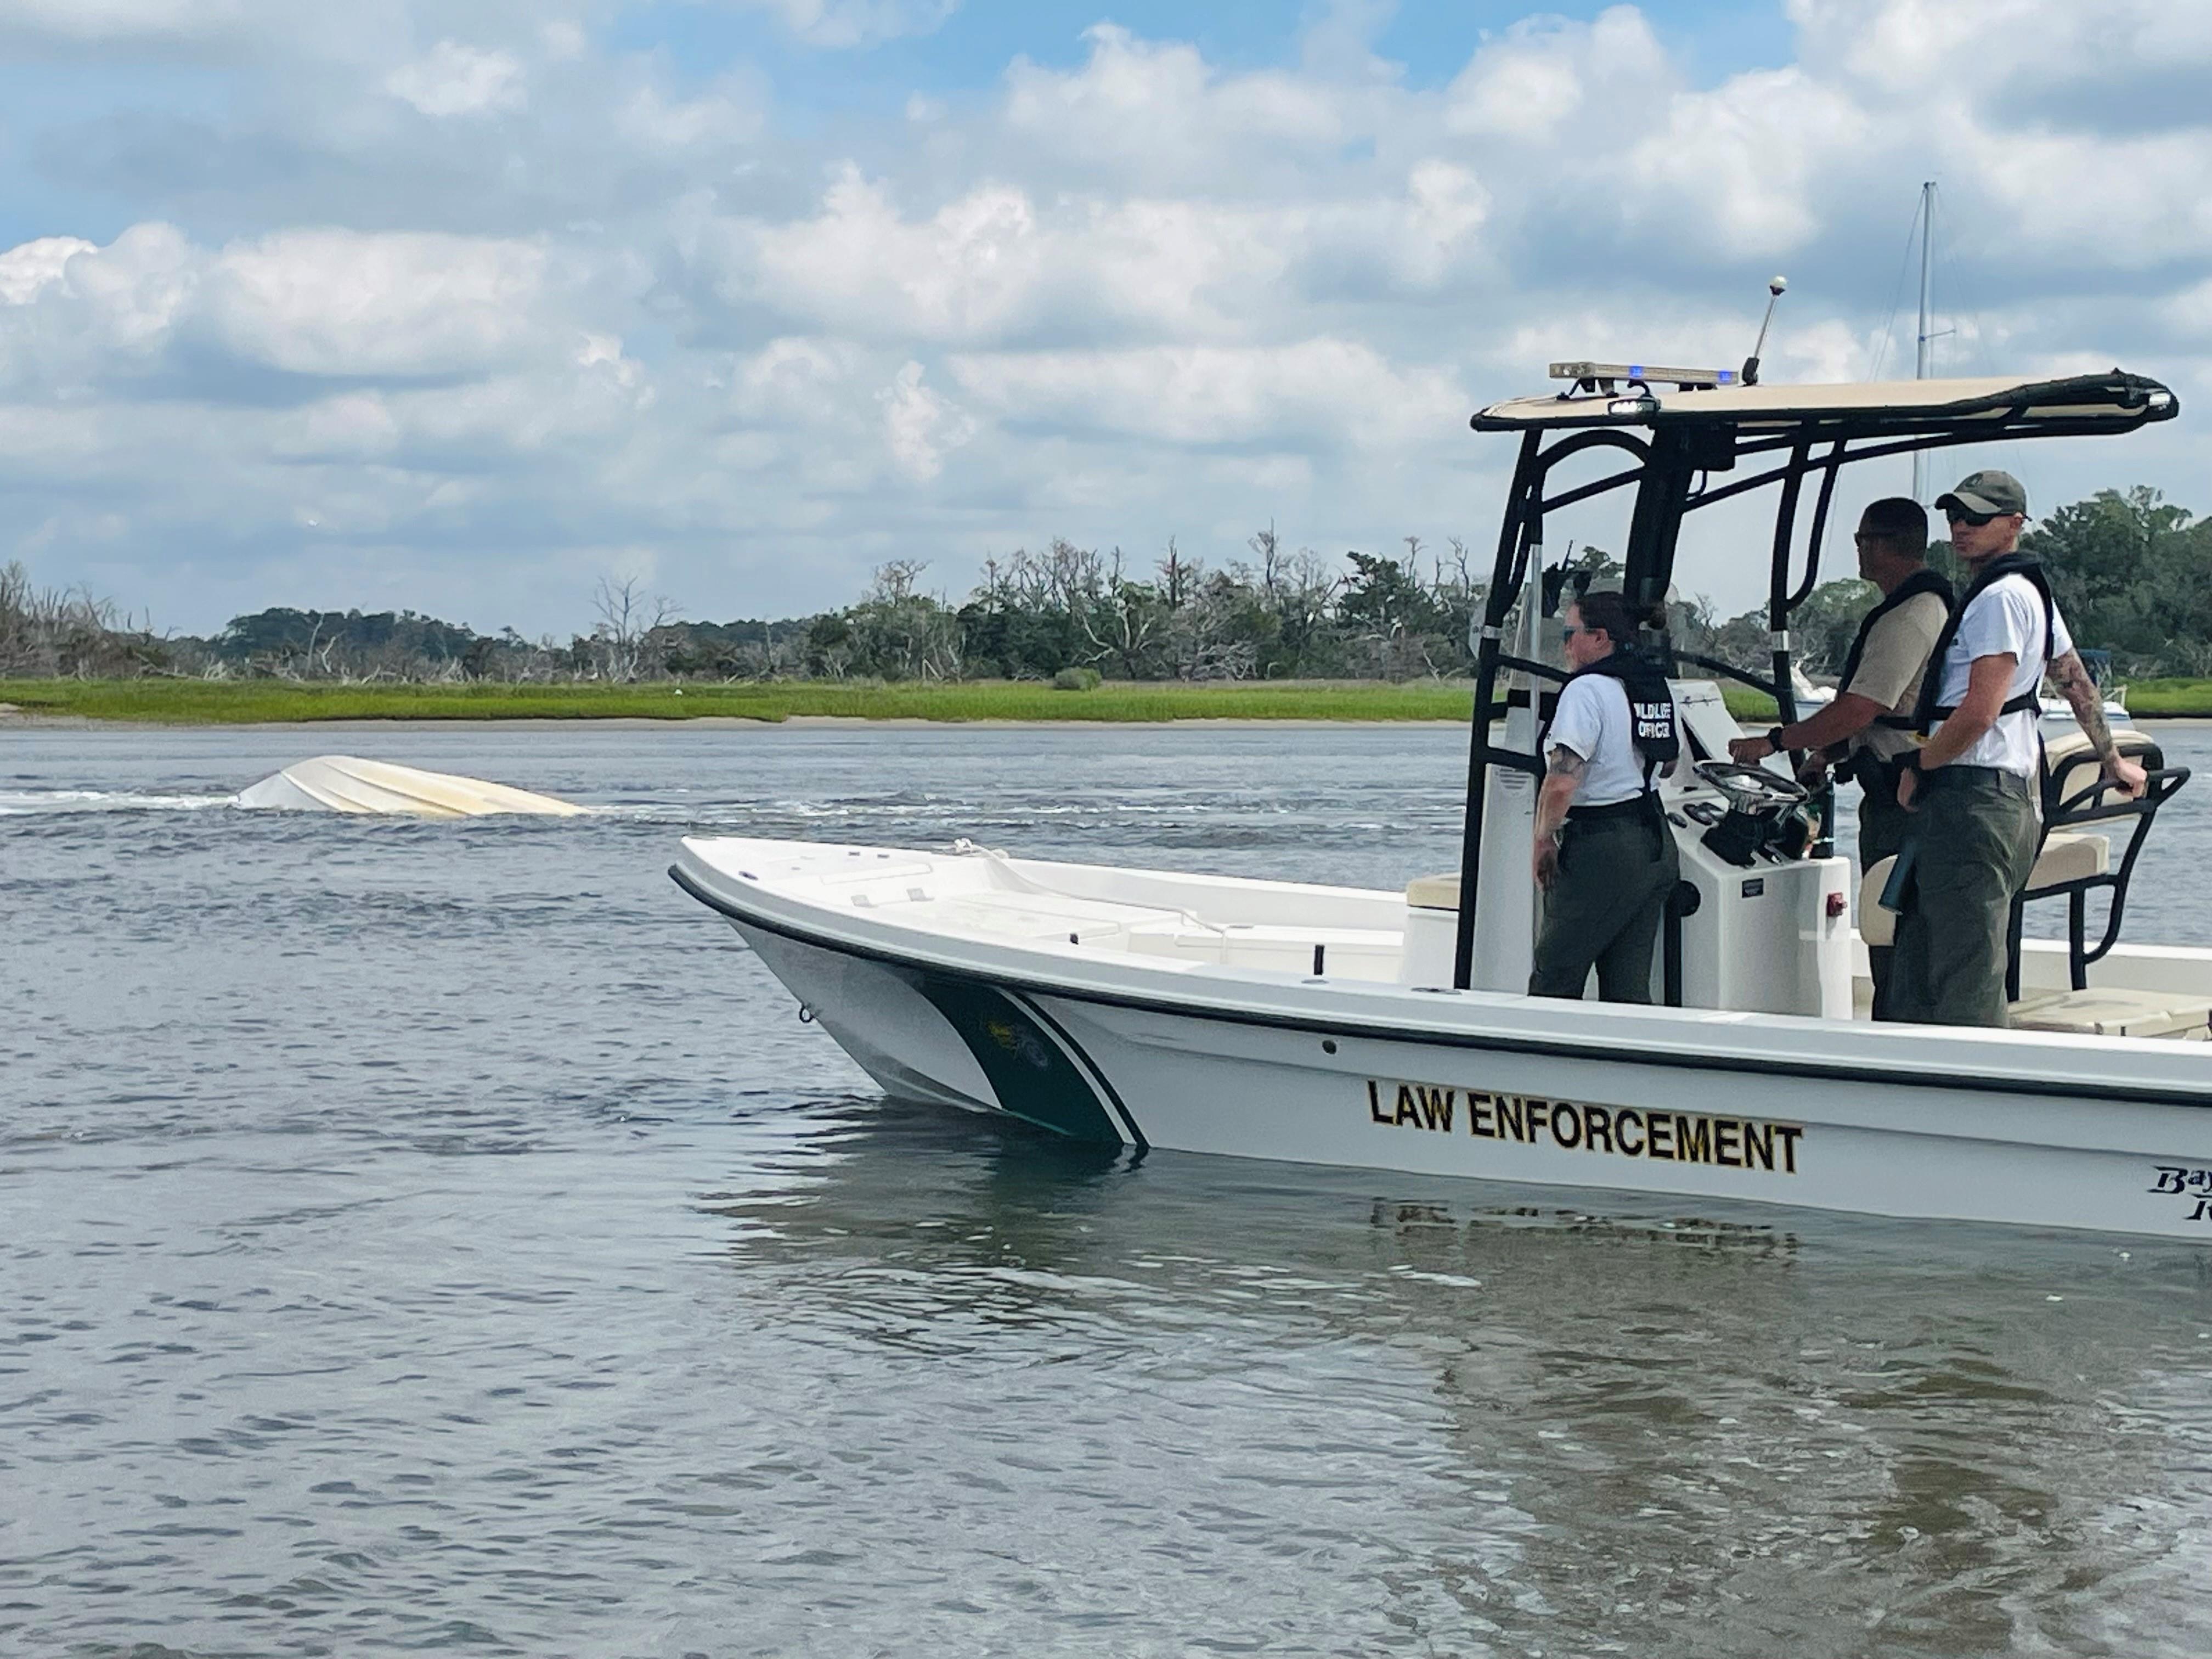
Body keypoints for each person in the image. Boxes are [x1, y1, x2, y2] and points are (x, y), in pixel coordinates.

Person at [1886, 469, 2147, 1026]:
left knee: (1964, 973)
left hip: (1970, 798)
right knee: (1953, 955)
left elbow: (1979, 712)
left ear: (2014, 525)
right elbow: (2074, 681)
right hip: (2007, 801)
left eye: (1976, 518)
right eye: (1955, 516)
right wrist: (2112, 759)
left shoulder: (1999, 599)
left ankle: (1973, 1093)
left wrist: (1918, 765)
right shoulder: (2031, 593)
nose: (1961, 528)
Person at [1728, 497, 1949, 1014]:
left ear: (1880, 544)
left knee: (1894, 925)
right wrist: (1825, 754)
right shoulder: (1925, 606)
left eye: (1861, 539)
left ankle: (1897, 1027)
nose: (1857, 549)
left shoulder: (1908, 618)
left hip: (1904, 802)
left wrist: (1777, 741)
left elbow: (1861, 708)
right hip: (1901, 787)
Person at [1528, 589, 1681, 1002]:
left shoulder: (1586, 691)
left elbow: (1562, 780)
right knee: (1628, 988)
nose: (1565, 643)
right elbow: (1667, 763)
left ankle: (1543, 1064)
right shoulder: (1650, 684)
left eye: (1570, 632)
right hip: (1654, 844)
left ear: (1600, 638)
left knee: (1554, 978)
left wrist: (1543, 840)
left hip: (1603, 848)